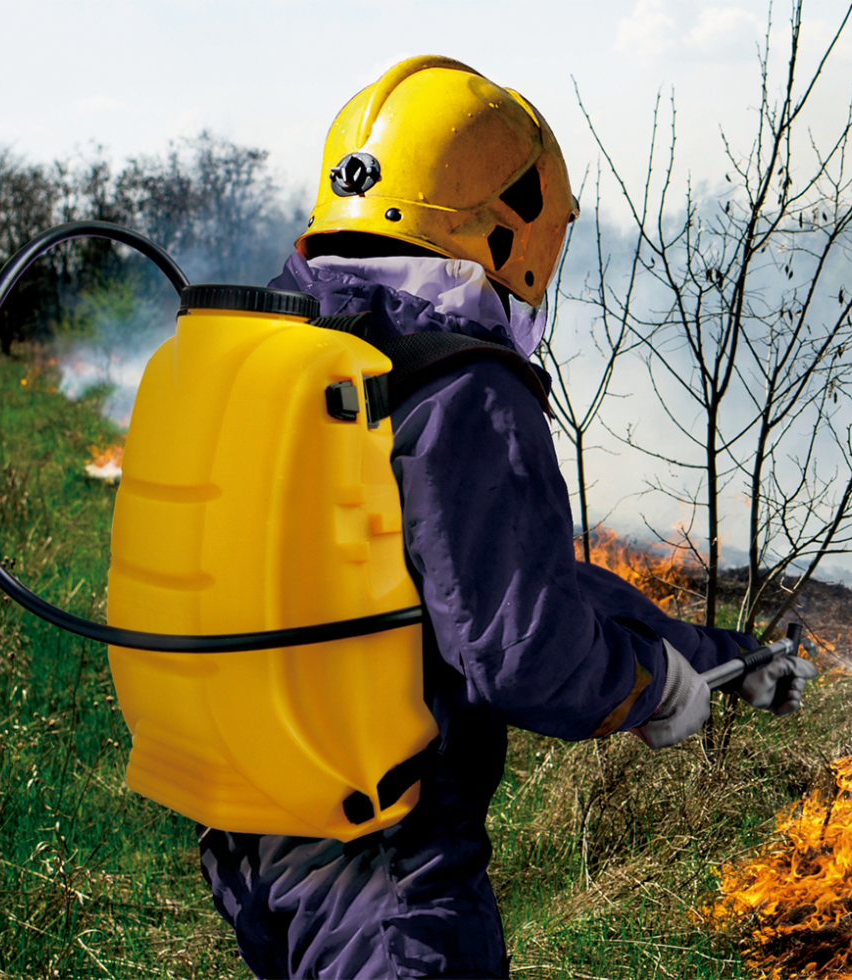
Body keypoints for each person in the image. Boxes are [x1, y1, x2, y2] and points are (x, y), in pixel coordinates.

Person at [197, 56, 818, 979]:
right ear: (508, 224)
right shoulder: (460, 390)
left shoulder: (302, 361)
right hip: (389, 875)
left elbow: (493, 574)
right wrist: (647, 688)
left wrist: (702, 652)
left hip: (255, 841)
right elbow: (518, 649)